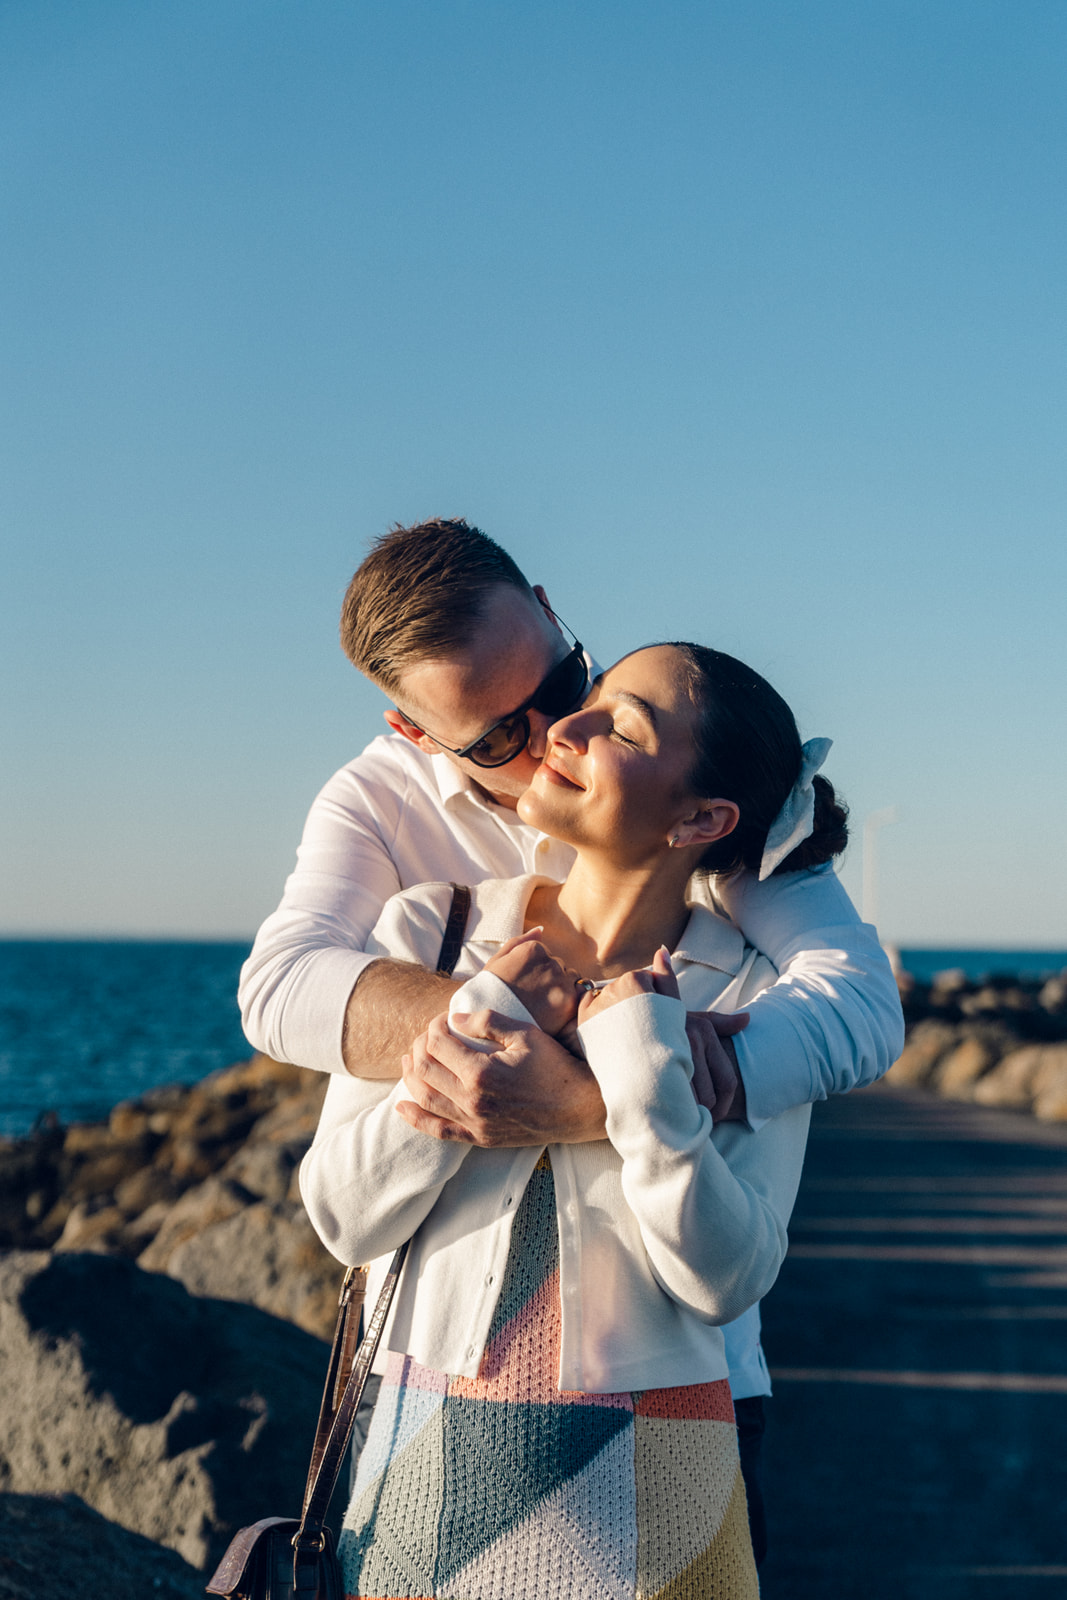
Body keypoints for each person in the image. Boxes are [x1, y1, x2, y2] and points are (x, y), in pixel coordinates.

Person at [239, 518, 904, 1560]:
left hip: (679, 1405)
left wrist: (609, 1093)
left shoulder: (689, 760)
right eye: (500, 734)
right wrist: (493, 1024)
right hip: (429, 1398)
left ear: (551, 612)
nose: (554, 728)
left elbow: (855, 1005)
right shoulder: (418, 890)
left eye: (567, 685)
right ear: (419, 735)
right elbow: (281, 992)